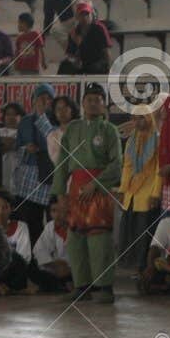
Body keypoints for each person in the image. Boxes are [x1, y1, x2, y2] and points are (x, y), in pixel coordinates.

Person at [53, 82, 122, 303]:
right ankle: (81, 286)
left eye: (97, 100)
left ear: (104, 105)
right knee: (76, 237)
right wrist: (60, 194)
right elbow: (62, 163)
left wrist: (95, 184)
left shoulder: (109, 130)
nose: (93, 103)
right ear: (82, 103)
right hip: (76, 188)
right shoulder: (72, 129)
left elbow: (117, 164)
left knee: (99, 238)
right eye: (89, 99)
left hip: (99, 189)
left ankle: (105, 288)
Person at [117, 101, 163, 276]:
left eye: (142, 118)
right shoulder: (132, 139)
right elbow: (127, 166)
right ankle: (131, 265)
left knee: (144, 232)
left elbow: (159, 168)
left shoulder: (157, 139)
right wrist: (122, 190)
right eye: (135, 118)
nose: (138, 122)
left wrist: (155, 193)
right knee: (130, 230)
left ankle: (143, 267)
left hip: (148, 193)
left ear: (150, 118)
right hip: (132, 193)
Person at [11, 84, 56, 241]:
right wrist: (26, 148)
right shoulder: (25, 121)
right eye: (40, 98)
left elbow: (54, 141)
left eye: (48, 98)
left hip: (49, 176)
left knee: (53, 223)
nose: (44, 101)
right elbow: (17, 148)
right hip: (28, 178)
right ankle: (33, 253)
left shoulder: (56, 120)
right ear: (33, 101)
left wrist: (42, 116)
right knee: (31, 222)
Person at [0, 189, 38, 294]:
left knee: (19, 261)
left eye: (5, 207)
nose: (1, 211)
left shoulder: (21, 227)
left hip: (14, 271)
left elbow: (25, 257)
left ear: (11, 209)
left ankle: (4, 288)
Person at [27, 194, 73, 293]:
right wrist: (53, 264)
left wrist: (68, 267)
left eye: (60, 211)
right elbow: (38, 250)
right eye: (53, 211)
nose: (57, 215)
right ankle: (63, 285)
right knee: (31, 267)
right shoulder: (50, 227)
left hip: (74, 270)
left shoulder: (76, 225)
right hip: (56, 269)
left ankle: (64, 284)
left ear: (67, 210)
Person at [60, 0, 110, 75]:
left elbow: (106, 51)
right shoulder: (74, 31)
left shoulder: (99, 28)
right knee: (64, 66)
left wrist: (109, 69)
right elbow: (70, 53)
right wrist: (73, 60)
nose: (84, 17)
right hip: (82, 63)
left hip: (98, 61)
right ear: (77, 17)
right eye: (81, 14)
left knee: (93, 67)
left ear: (91, 15)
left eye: (87, 14)